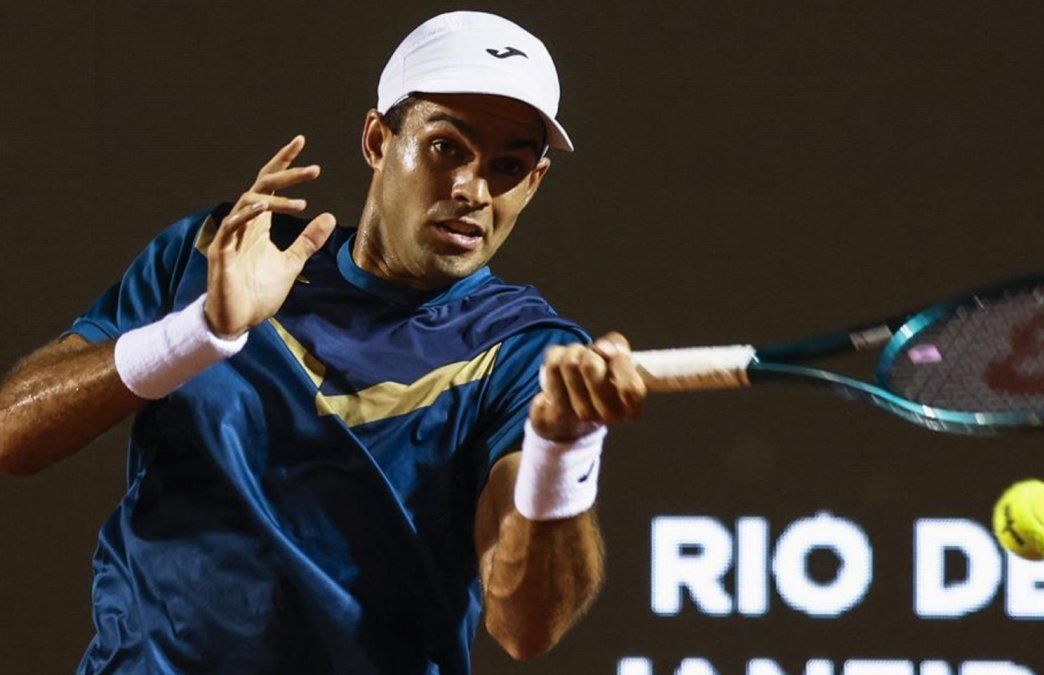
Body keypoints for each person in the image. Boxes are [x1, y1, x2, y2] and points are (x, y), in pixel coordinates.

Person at [0, 11, 645, 674]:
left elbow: (525, 626)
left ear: (533, 183)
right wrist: (202, 331)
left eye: (508, 166)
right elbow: (10, 433)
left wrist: (562, 454)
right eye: (448, 146)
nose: (471, 191)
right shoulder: (222, 250)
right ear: (376, 139)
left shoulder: (522, 353)